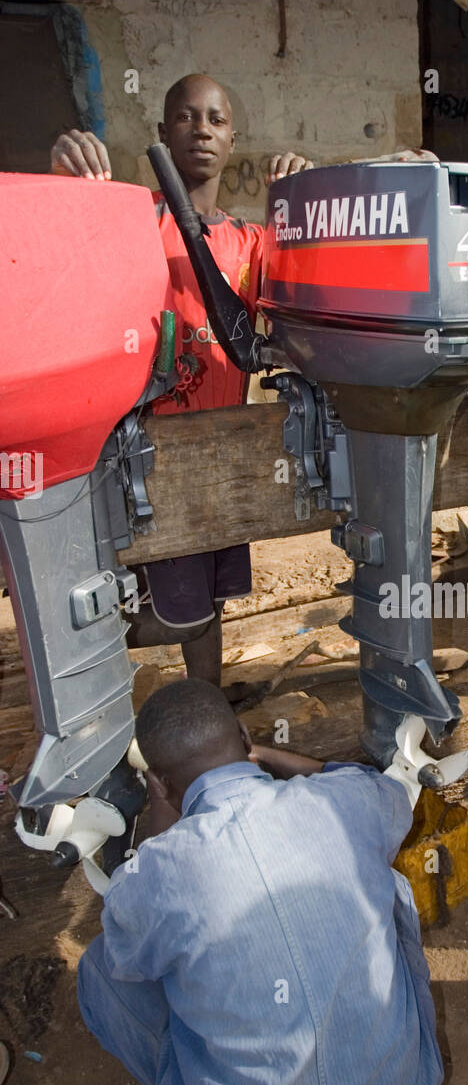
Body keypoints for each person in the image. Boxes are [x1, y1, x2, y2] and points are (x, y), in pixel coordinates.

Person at [76, 678, 443, 1085]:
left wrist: (160, 820)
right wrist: (261, 755)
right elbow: (375, 788)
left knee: (100, 970)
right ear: (244, 736)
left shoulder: (159, 873)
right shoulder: (344, 802)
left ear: (156, 781)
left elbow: (130, 946)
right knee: (391, 891)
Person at [50, 74, 313, 696]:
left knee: (211, 590)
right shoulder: (135, 224)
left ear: (232, 137)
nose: (201, 129)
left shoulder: (251, 243)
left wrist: (296, 205)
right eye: (186, 117)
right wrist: (67, 176)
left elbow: (304, 296)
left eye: (216, 119)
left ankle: (207, 702)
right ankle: (77, 658)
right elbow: (72, 245)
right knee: (175, 607)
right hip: (149, 457)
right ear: (162, 132)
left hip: (221, 450)